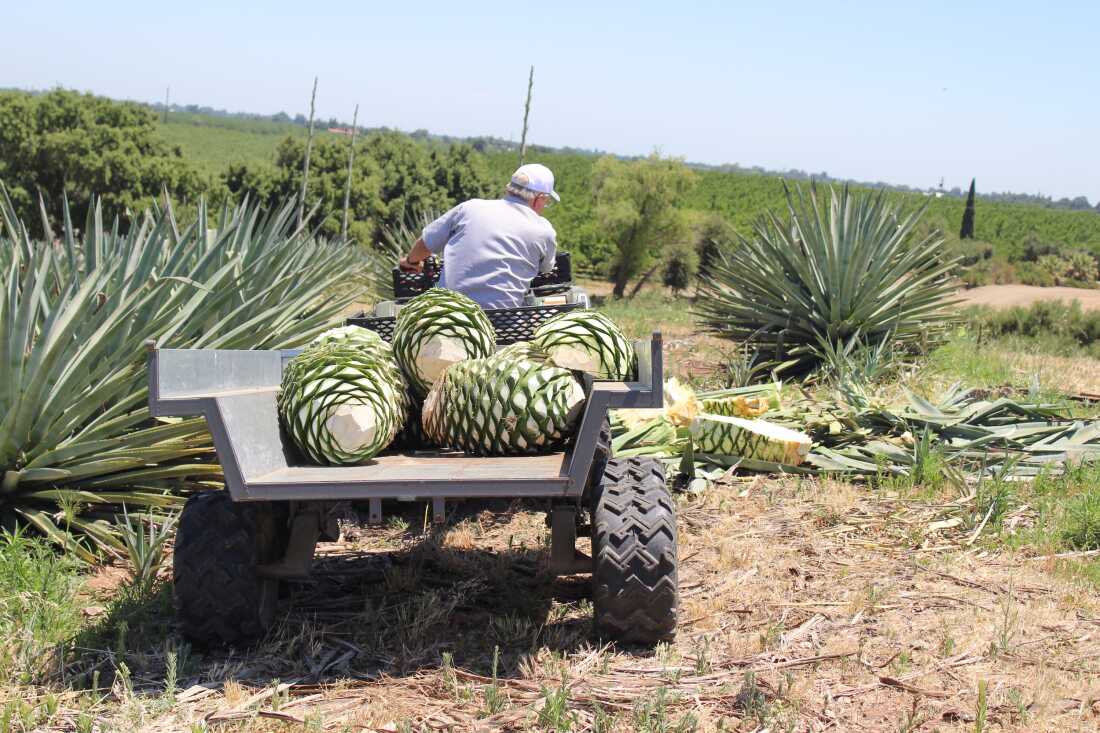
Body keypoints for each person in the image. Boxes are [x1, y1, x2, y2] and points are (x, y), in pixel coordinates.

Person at [398, 163, 559, 309]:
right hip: (503, 322)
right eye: (547, 202)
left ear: (509, 189)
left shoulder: (469, 208)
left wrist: (410, 261)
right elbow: (545, 268)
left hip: (447, 316)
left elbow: (425, 244)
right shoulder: (544, 231)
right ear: (540, 199)